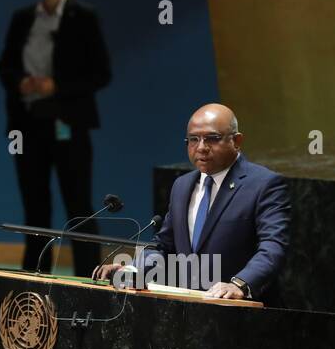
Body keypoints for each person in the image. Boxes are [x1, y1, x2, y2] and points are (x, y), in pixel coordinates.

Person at [0, 0, 112, 278]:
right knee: (35, 208)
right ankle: (33, 282)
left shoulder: (84, 17)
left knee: (79, 207)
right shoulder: (22, 19)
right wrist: (21, 82)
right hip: (28, 125)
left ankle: (92, 281)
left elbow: (101, 74)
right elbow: (4, 65)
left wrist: (56, 85)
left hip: (68, 124)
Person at [95, 103, 290, 302]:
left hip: (240, 311)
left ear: (237, 140)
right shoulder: (182, 185)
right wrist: (133, 269)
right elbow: (164, 246)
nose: (202, 147)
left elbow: (273, 246)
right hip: (189, 309)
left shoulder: (263, 184)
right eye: (193, 139)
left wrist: (239, 284)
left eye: (212, 139)